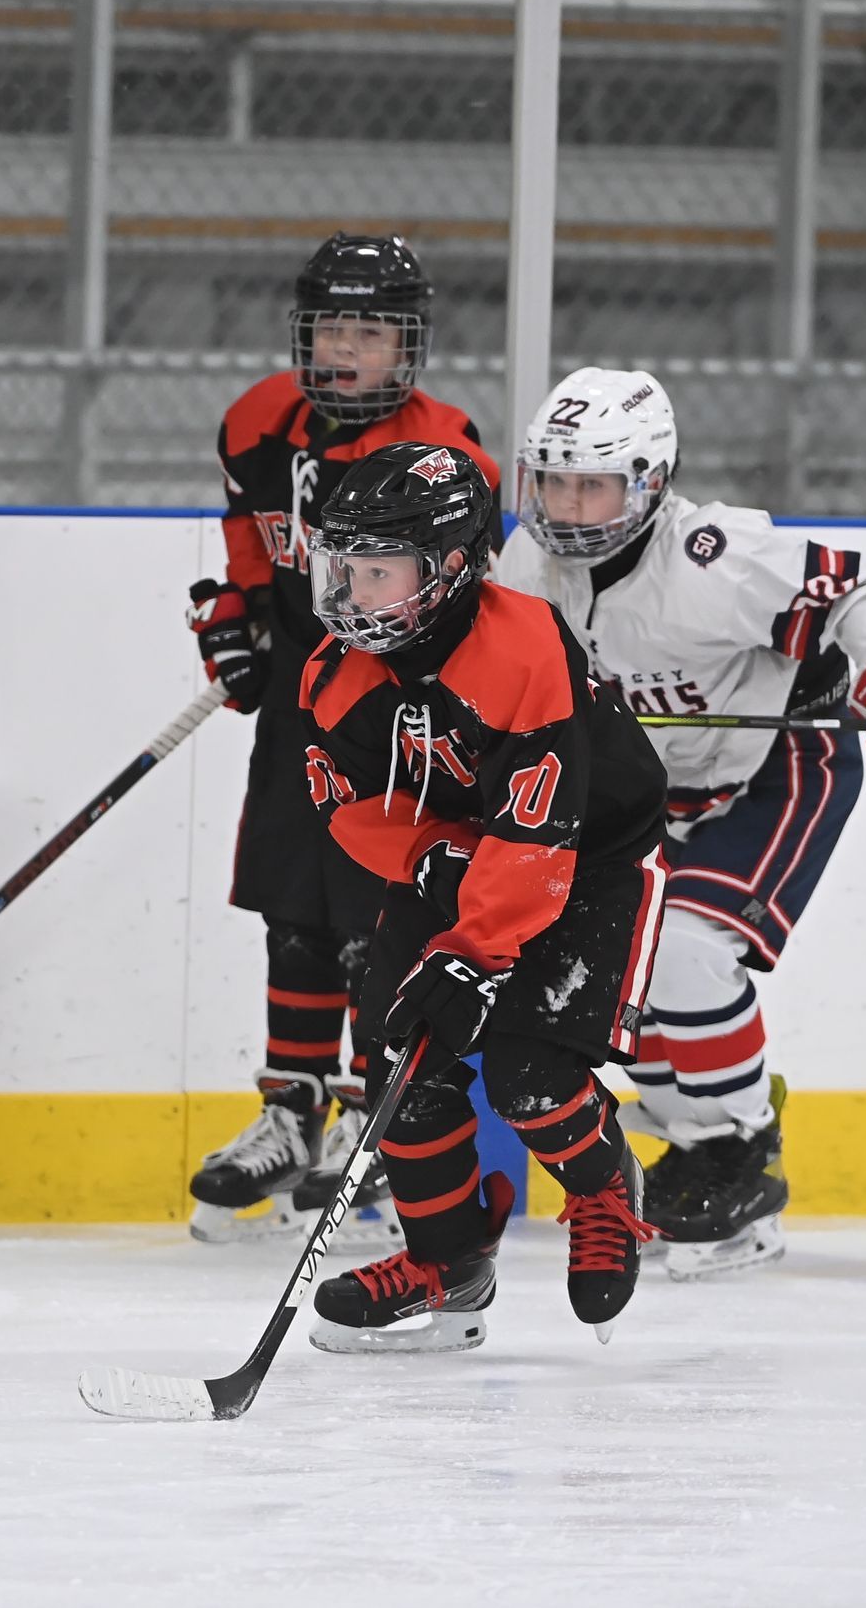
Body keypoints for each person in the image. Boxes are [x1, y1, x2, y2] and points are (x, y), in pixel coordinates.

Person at [492, 368, 866, 1279]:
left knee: (686, 948)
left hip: (779, 766)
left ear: (652, 482)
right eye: (553, 481)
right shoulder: (527, 567)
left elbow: (863, 590)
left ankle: (744, 1153)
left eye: (594, 484)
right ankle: (696, 1145)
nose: (569, 507)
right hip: (649, 794)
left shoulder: (713, 559)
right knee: (617, 963)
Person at [293, 441, 673, 1352]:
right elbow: (347, 806)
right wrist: (429, 855)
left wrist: (474, 950)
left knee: (529, 1074)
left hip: (591, 860)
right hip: (461, 857)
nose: (351, 594)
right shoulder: (335, 677)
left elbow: (539, 834)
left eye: (379, 572)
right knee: (399, 1056)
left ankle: (603, 1186)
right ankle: (448, 1262)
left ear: (452, 567)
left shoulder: (524, 644)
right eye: (344, 567)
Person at [184, 233, 496, 1246]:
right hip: (298, 698)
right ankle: (293, 1108)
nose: (345, 350)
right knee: (292, 904)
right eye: (329, 328)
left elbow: (468, 596)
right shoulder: (254, 424)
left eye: (369, 331)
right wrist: (233, 619)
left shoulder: (446, 446)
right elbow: (248, 546)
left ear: (408, 345)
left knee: (378, 913)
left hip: (395, 711)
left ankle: (376, 1113)